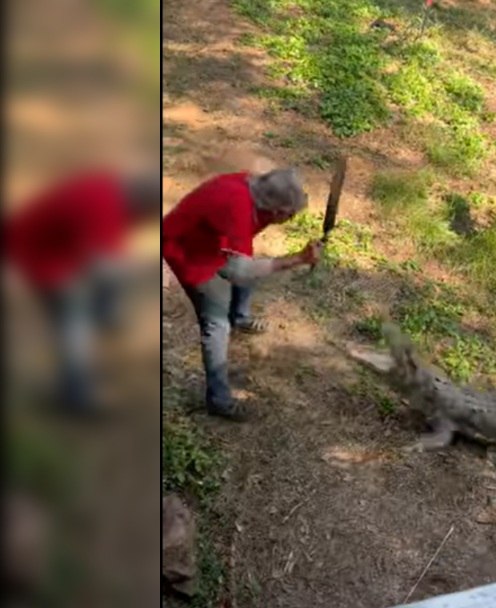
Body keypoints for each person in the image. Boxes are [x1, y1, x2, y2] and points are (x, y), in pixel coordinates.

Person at [162, 167, 321, 421]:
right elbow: (241, 272)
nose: (290, 219)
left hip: (212, 245)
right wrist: (298, 259)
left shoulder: (254, 187)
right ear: (275, 211)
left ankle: (241, 318)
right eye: (289, 215)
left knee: (249, 264)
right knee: (216, 323)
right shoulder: (236, 211)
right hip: (187, 253)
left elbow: (242, 260)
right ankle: (219, 401)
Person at [5, 170, 162, 416]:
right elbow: (103, 266)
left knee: (106, 287)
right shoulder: (102, 208)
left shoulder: (110, 190)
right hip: (39, 253)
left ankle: (104, 323)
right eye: (146, 214)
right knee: (73, 317)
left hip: (61, 245)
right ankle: (76, 393)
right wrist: (143, 272)